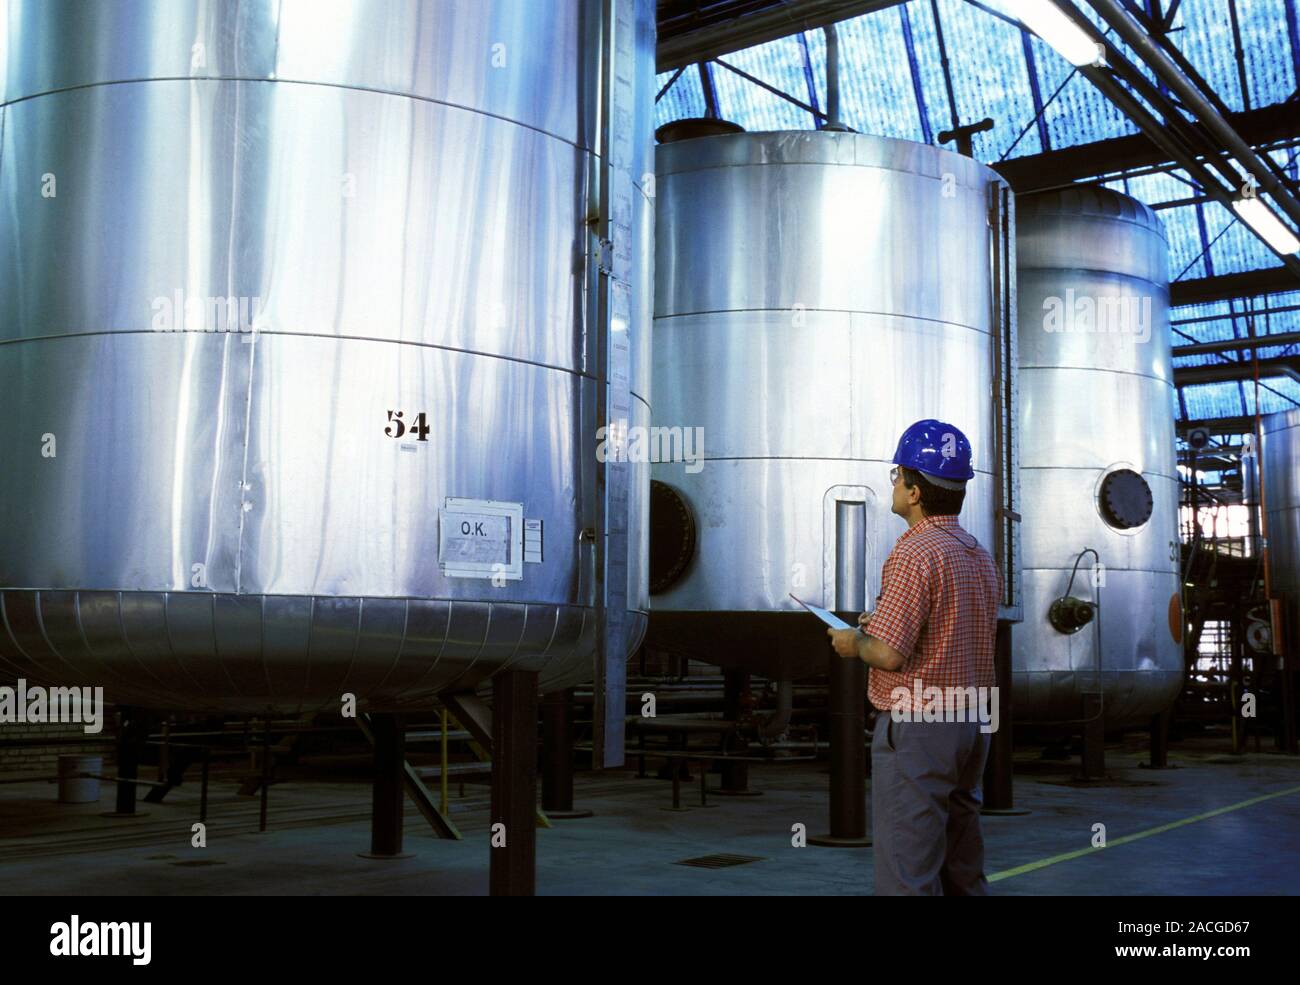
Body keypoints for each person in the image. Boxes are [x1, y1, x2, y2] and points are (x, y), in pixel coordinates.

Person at [827, 419, 1001, 895]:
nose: (894, 484)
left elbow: (886, 653)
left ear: (915, 490)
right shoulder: (977, 554)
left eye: (897, 475)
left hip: (921, 726)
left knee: (908, 868)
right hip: (972, 724)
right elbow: (949, 627)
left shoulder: (914, 551)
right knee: (962, 864)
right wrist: (877, 621)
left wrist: (852, 642)